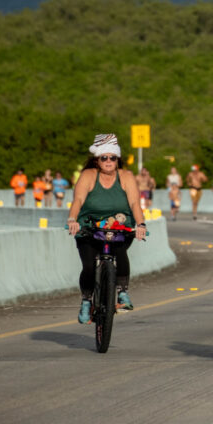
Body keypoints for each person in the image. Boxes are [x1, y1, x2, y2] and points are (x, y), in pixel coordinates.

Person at [67, 134, 148, 322]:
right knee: (88, 265)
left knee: (119, 251)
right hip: (89, 226)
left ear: (117, 159)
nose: (109, 161)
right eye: (104, 157)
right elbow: (78, 200)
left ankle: (122, 294)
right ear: (97, 160)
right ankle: (87, 301)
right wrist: (72, 219)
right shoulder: (88, 175)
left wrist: (140, 224)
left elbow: (135, 203)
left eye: (113, 157)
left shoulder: (126, 176)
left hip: (119, 227)